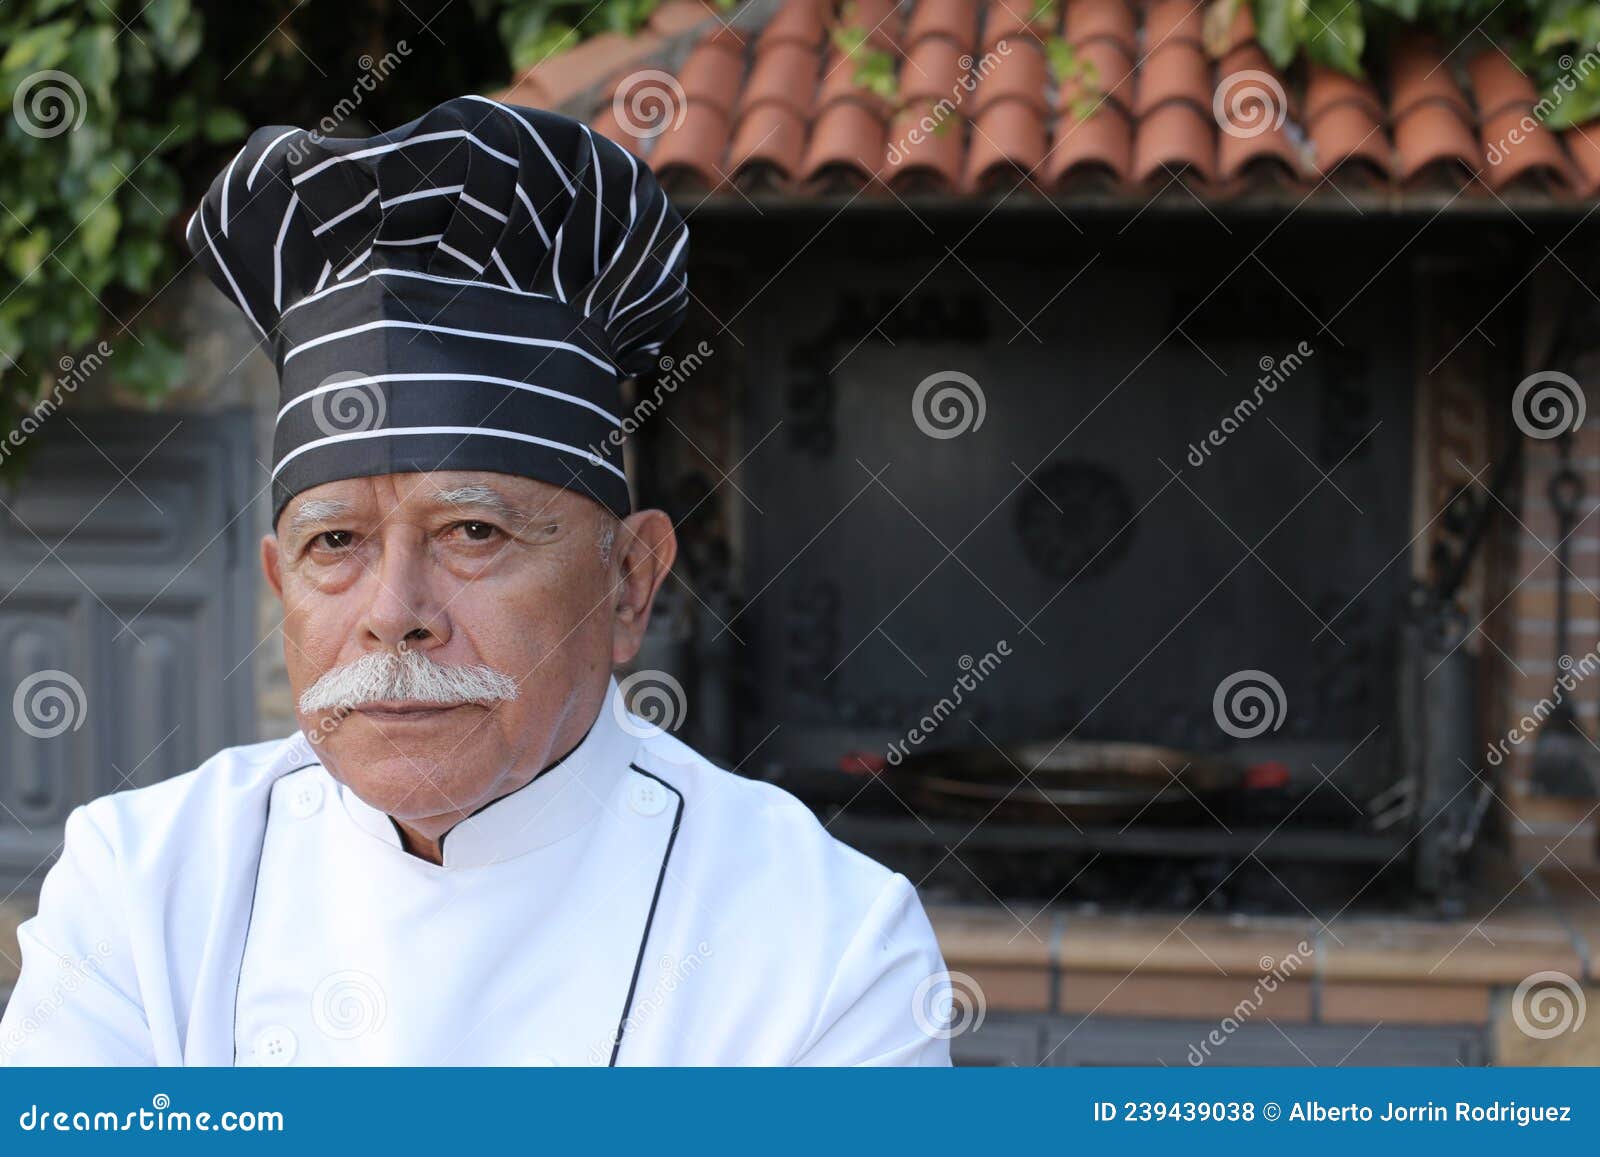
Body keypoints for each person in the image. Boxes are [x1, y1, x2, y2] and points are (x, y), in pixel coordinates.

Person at [0, 96, 950, 1066]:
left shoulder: (825, 943)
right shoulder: (141, 887)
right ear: (281, 581)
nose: (393, 615)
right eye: (337, 543)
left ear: (629, 582)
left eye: (471, 531)